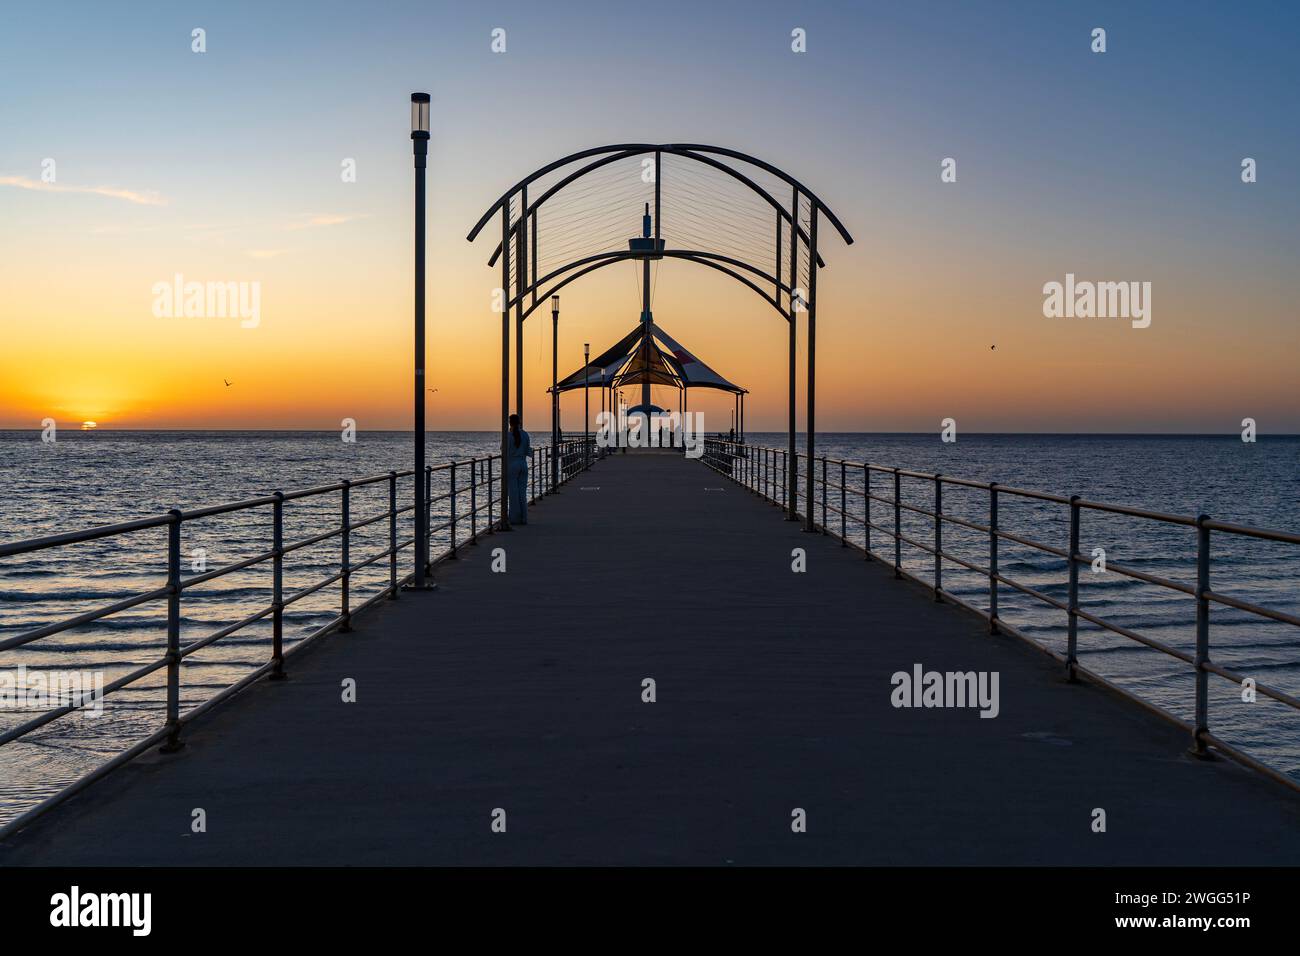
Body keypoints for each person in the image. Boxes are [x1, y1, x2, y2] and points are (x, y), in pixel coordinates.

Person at [507, 413, 531, 525]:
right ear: (520, 422)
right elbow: (528, 450)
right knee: (522, 493)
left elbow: (504, 449)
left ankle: (514, 518)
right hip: (523, 464)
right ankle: (524, 518)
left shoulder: (508, 435)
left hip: (512, 465)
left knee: (513, 493)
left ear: (509, 423)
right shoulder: (525, 435)